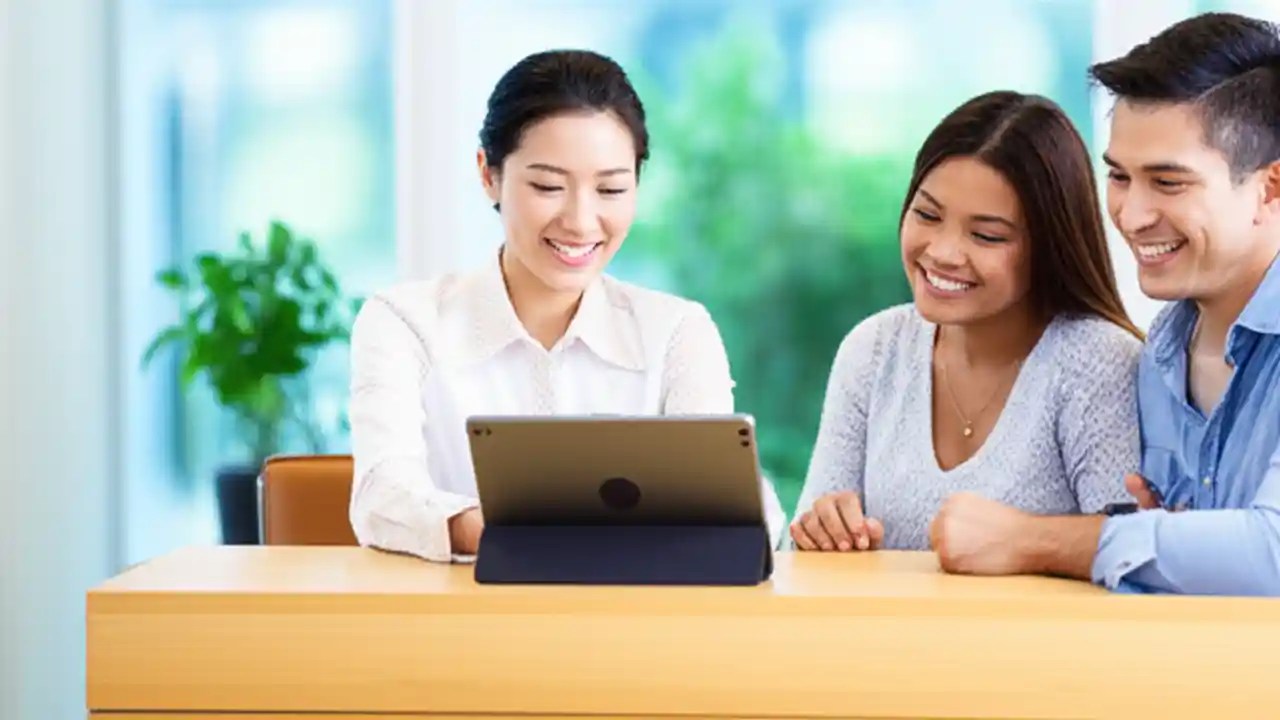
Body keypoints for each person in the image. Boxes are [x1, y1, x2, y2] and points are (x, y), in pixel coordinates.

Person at [348, 49, 784, 562]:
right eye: (548, 186)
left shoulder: (676, 331)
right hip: (460, 626)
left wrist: (552, 538)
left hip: (636, 628)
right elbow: (383, 497)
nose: (581, 221)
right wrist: (500, 533)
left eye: (611, 188)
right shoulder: (405, 323)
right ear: (488, 173)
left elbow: (732, 507)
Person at [928, 13, 1280, 595]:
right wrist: (1173, 542)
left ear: (1268, 188)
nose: (1131, 216)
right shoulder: (1162, 351)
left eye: (1168, 183)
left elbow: (1270, 553)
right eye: (1119, 177)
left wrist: (1034, 540)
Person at [790, 91, 1142, 553]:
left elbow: (1132, 552)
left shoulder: (1097, 361)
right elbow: (800, 554)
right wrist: (822, 530)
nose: (942, 252)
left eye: (986, 235)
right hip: (882, 627)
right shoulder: (874, 348)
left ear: (1051, 245)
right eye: (927, 215)